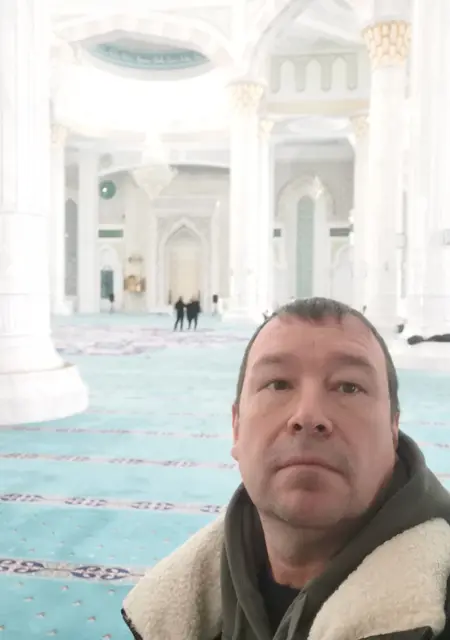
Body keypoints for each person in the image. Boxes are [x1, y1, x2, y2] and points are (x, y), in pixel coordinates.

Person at [123, 297, 450, 640]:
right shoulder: (174, 609)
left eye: (349, 387)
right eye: (278, 384)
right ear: (236, 427)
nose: (308, 416)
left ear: (393, 429)